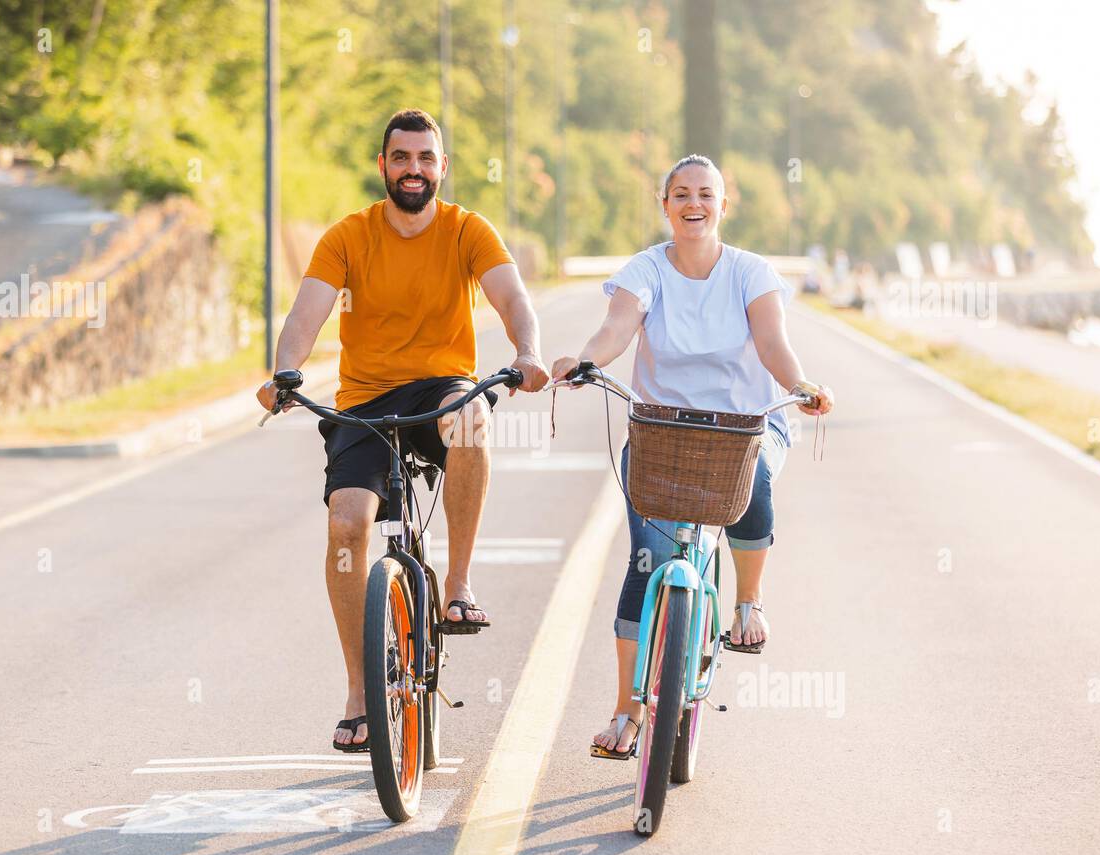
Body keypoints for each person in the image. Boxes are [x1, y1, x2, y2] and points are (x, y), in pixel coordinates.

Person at [256, 109, 550, 752]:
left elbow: (512, 298)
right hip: (363, 401)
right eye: (400, 158)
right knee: (347, 525)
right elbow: (307, 312)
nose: (413, 169)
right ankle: (361, 692)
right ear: (383, 166)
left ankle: (459, 584)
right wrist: (285, 373)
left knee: (471, 420)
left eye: (425, 158)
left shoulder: (468, 230)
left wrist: (527, 352)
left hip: (441, 385)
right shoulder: (348, 236)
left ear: (442, 168)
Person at [549, 154, 834, 759]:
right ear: (665, 205)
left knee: (752, 483)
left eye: (705, 194)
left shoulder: (751, 272)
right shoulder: (646, 269)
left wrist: (801, 384)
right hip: (663, 431)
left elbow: (772, 343)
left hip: (744, 428)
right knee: (647, 558)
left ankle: (747, 602)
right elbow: (617, 326)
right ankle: (627, 710)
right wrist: (588, 360)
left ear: (723, 206)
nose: (693, 203)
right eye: (680, 193)